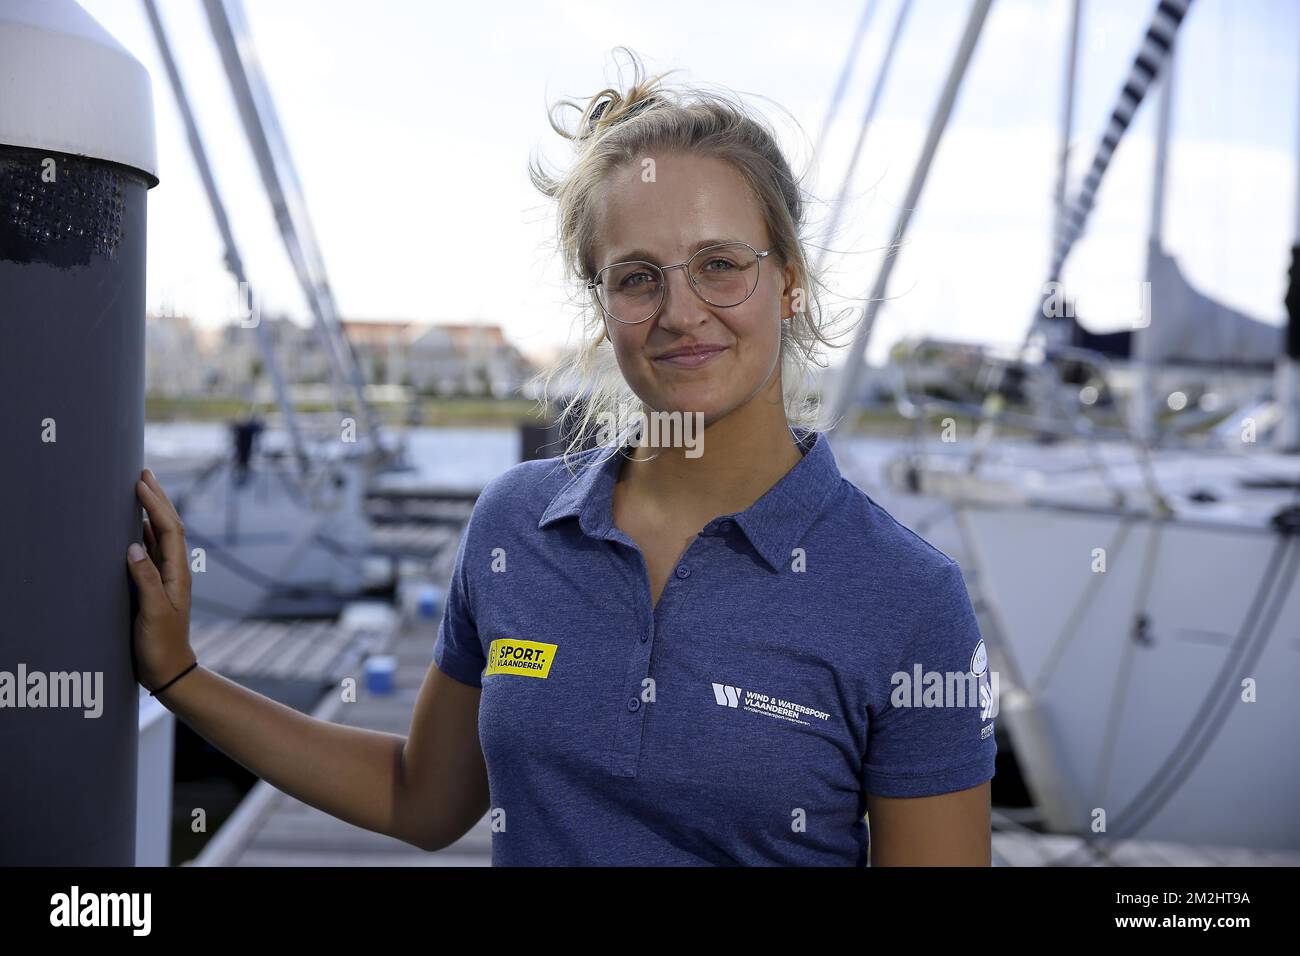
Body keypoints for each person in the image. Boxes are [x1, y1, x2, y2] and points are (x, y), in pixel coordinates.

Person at [128, 47, 995, 866]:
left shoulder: (908, 598)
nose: (682, 311)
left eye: (721, 265)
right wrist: (181, 676)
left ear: (791, 280)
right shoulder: (515, 524)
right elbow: (422, 796)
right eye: (638, 276)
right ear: (604, 301)